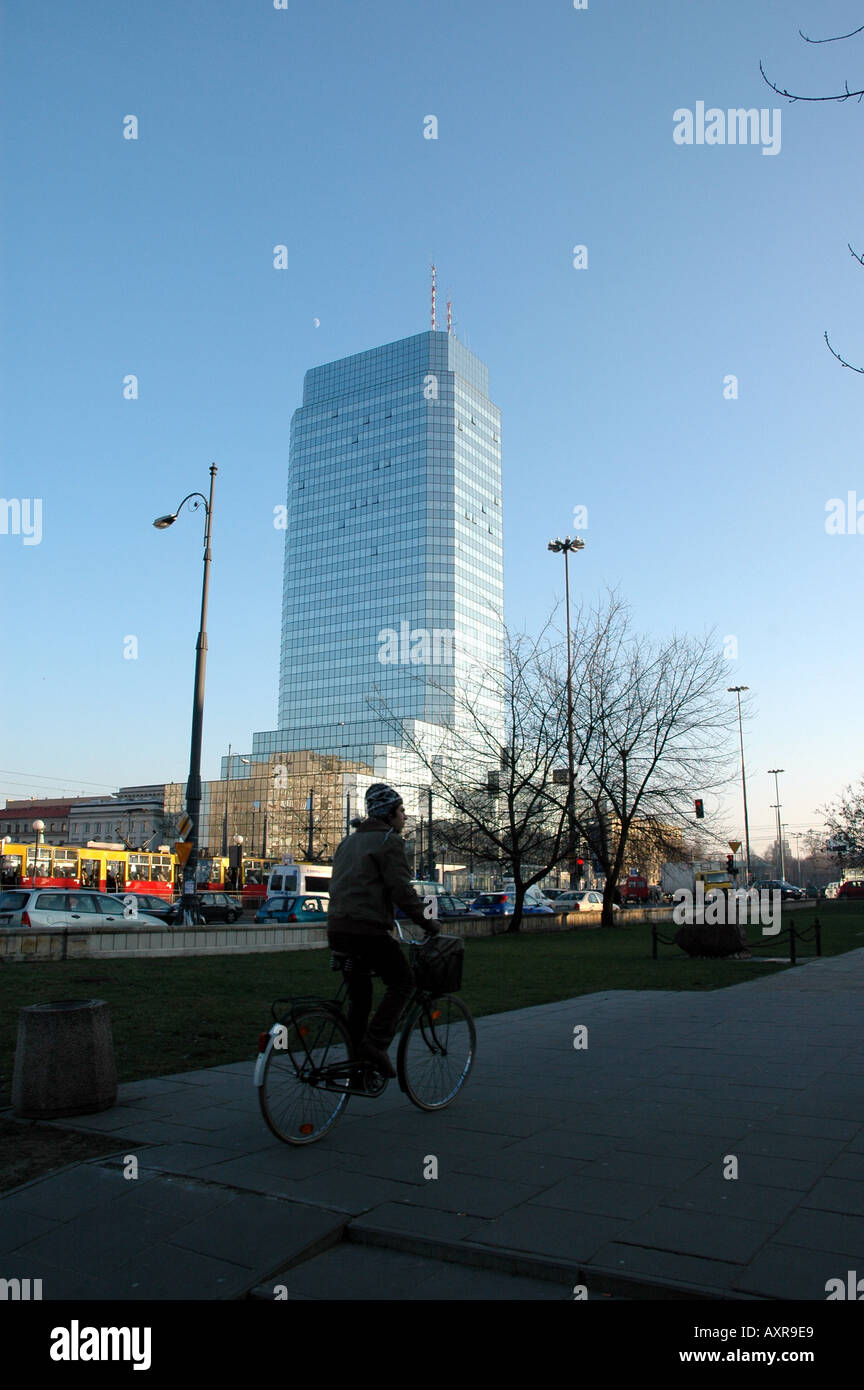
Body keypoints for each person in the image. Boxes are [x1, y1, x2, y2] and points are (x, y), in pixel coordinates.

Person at [327, 783, 438, 1078]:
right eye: (401, 811)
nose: (404, 816)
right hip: (367, 931)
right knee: (404, 983)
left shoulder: (347, 842)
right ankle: (374, 1046)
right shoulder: (389, 841)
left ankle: (358, 1071)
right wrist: (429, 922)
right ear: (388, 814)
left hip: (338, 929)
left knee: (360, 1001)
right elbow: (402, 892)